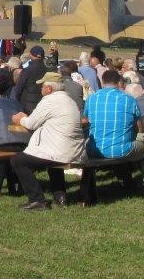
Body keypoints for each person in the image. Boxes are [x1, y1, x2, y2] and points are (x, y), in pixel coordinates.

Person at [9, 72, 87, 210]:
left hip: (59, 151)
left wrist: (19, 119)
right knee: (52, 158)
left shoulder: (49, 101)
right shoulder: (70, 100)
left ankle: (37, 199)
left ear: (49, 89)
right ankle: (60, 196)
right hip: (74, 151)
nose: (41, 89)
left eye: (42, 86)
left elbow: (32, 123)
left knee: (18, 160)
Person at [84, 70, 144, 200]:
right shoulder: (128, 99)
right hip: (121, 149)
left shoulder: (91, 98)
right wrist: (138, 134)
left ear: (102, 82)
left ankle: (126, 181)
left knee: (113, 142)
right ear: (119, 82)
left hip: (93, 150)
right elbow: (139, 126)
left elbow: (86, 118)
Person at [13, 45, 47, 114]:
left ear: (31, 55)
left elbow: (19, 89)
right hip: (43, 104)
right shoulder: (47, 70)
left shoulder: (27, 70)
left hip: (27, 105)